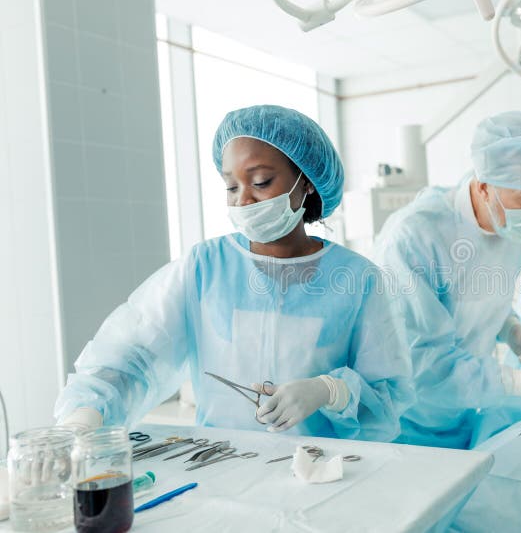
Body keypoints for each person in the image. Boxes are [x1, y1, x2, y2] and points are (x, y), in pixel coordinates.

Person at [55, 105, 413, 441]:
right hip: (223, 467)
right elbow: (133, 357)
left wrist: (330, 391)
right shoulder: (204, 268)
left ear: (304, 183)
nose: (242, 200)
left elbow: (386, 398)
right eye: (231, 186)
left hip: (322, 471)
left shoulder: (357, 278)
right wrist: (85, 415)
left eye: (260, 182)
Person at [373, 111, 521, 449]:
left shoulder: (506, 227)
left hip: (466, 409)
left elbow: (474, 299)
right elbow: (423, 363)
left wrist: (511, 329)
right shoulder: (415, 237)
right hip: (409, 424)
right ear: (484, 187)